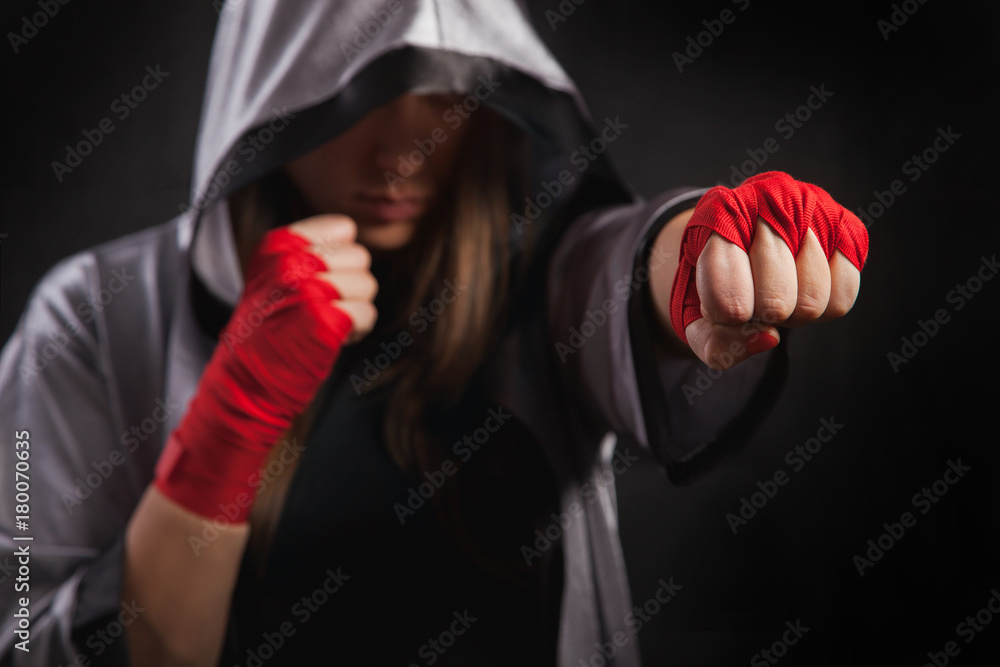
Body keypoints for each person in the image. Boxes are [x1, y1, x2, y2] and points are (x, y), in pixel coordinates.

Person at [0, 1, 868, 665]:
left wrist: (708, 248)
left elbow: (621, 270)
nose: (404, 151)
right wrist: (229, 423)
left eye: (447, 93)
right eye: (356, 94)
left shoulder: (540, 268)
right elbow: (27, 633)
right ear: (269, 93)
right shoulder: (88, 315)